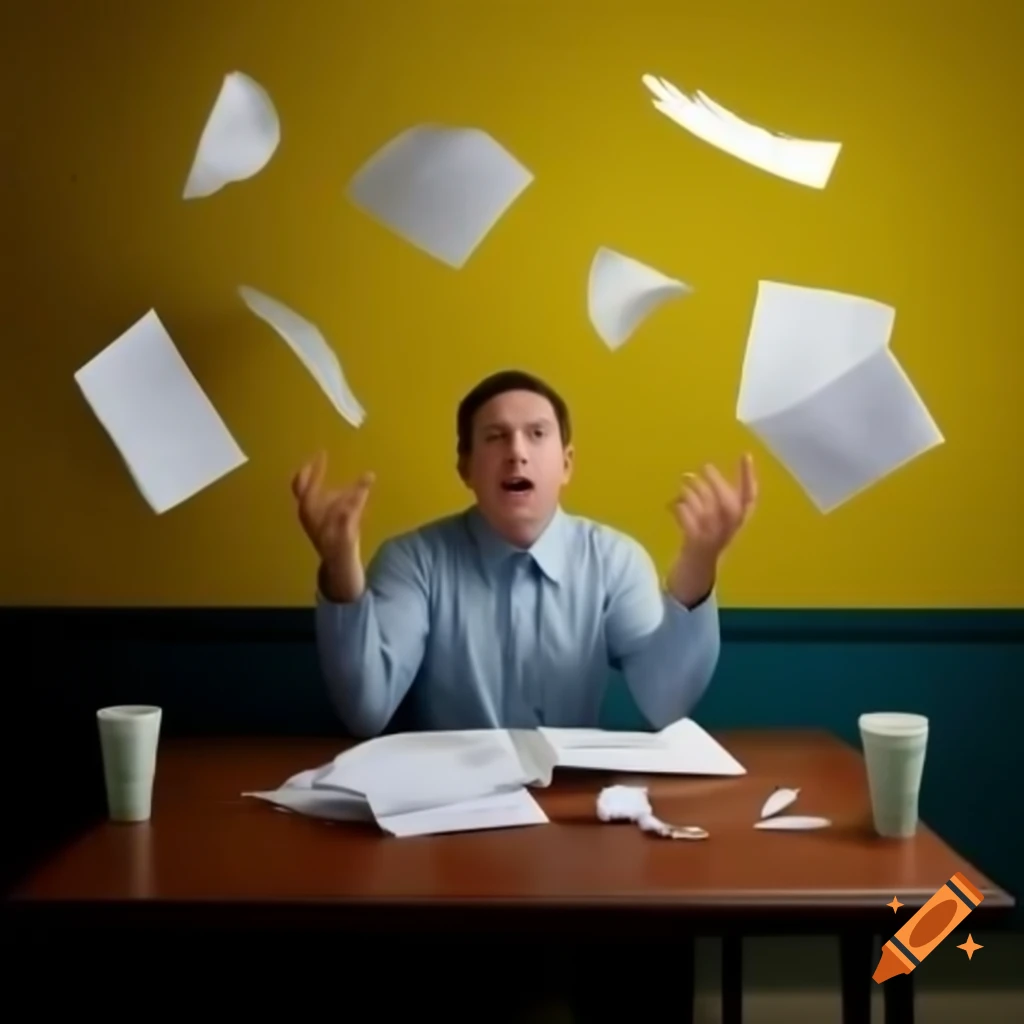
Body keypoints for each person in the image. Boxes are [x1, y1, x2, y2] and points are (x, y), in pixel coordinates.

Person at [292, 369, 757, 737]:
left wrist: (699, 566)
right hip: (446, 812)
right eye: (495, 437)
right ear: (466, 468)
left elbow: (666, 705)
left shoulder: (616, 560)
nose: (517, 452)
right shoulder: (413, 561)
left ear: (566, 464)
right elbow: (365, 711)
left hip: (572, 811)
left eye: (537, 434)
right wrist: (339, 566)